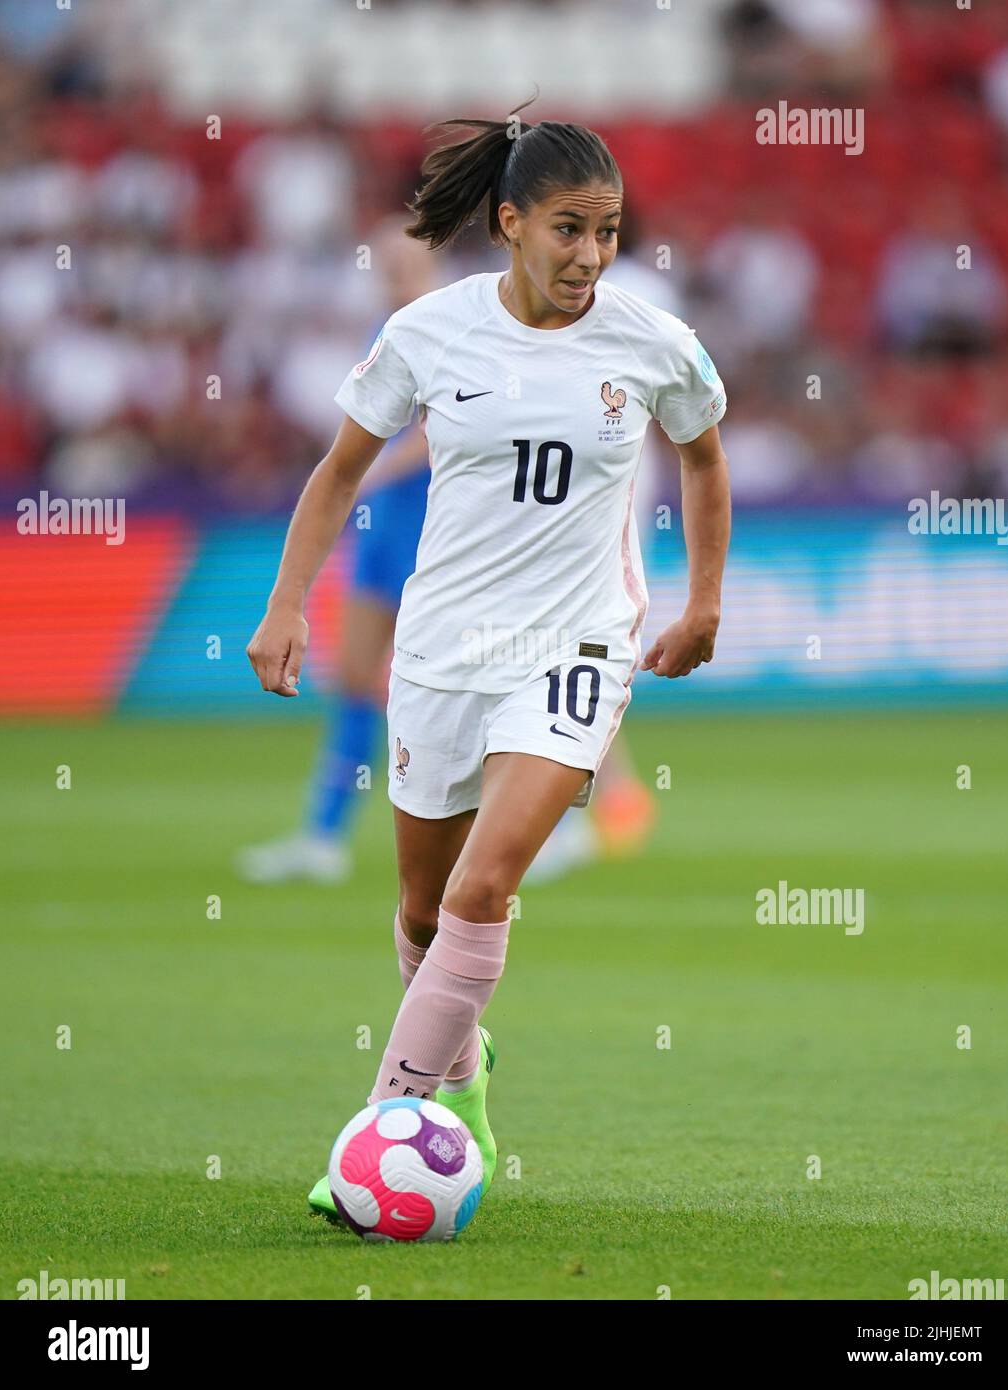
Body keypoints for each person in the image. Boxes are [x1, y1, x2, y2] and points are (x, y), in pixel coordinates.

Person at [245, 98, 731, 1227]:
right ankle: (463, 1078)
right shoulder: (430, 333)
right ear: (510, 222)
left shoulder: (651, 341)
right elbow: (336, 473)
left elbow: (702, 459)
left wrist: (702, 602)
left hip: (575, 644)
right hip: (441, 648)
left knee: (483, 885)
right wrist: (284, 607)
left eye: (606, 231)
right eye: (568, 229)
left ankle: (375, 1132)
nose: (591, 255)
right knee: (422, 913)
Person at [236, 219, 441, 884]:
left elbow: (441, 431)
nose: (392, 270)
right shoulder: (388, 326)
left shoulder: (446, 326)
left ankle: (541, 823)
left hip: (433, 530)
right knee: (354, 679)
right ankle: (324, 835)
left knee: (457, 690)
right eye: (384, 260)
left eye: (404, 258)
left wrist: (368, 471)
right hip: (382, 531)